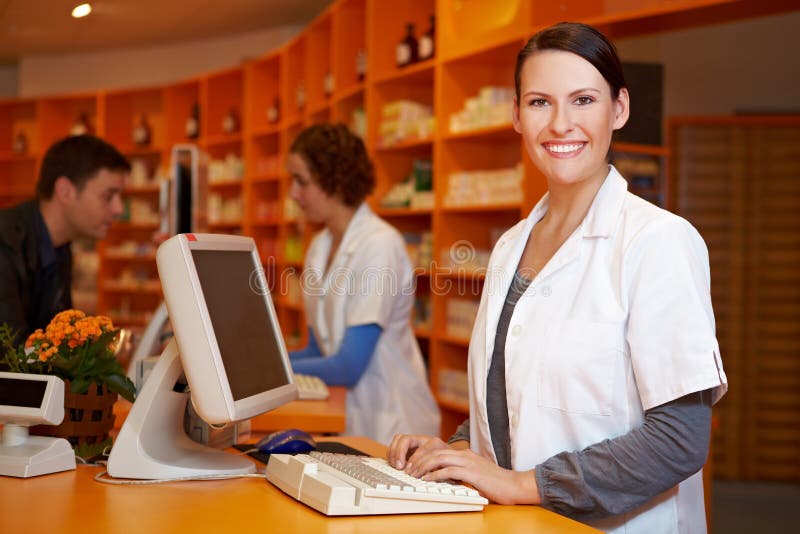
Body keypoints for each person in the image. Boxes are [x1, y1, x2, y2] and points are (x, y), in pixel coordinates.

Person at [387, 22, 728, 533]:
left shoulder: (658, 242)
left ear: (620, 109)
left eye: (584, 99)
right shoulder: (509, 246)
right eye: (540, 102)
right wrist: (457, 449)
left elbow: (679, 441)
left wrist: (523, 485)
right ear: (517, 116)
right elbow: (515, 398)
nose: (561, 124)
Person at [286, 122, 440, 445]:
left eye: (301, 181)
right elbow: (319, 348)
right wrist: (267, 362)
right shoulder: (320, 246)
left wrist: (268, 369)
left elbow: (348, 365)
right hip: (347, 418)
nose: (293, 193)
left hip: (393, 424)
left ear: (333, 181)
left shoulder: (379, 245)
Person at [0, 134, 129, 344]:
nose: (119, 209)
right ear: (65, 191)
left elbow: (57, 340)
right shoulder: (5, 243)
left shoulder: (59, 248)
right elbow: (11, 354)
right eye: (108, 196)